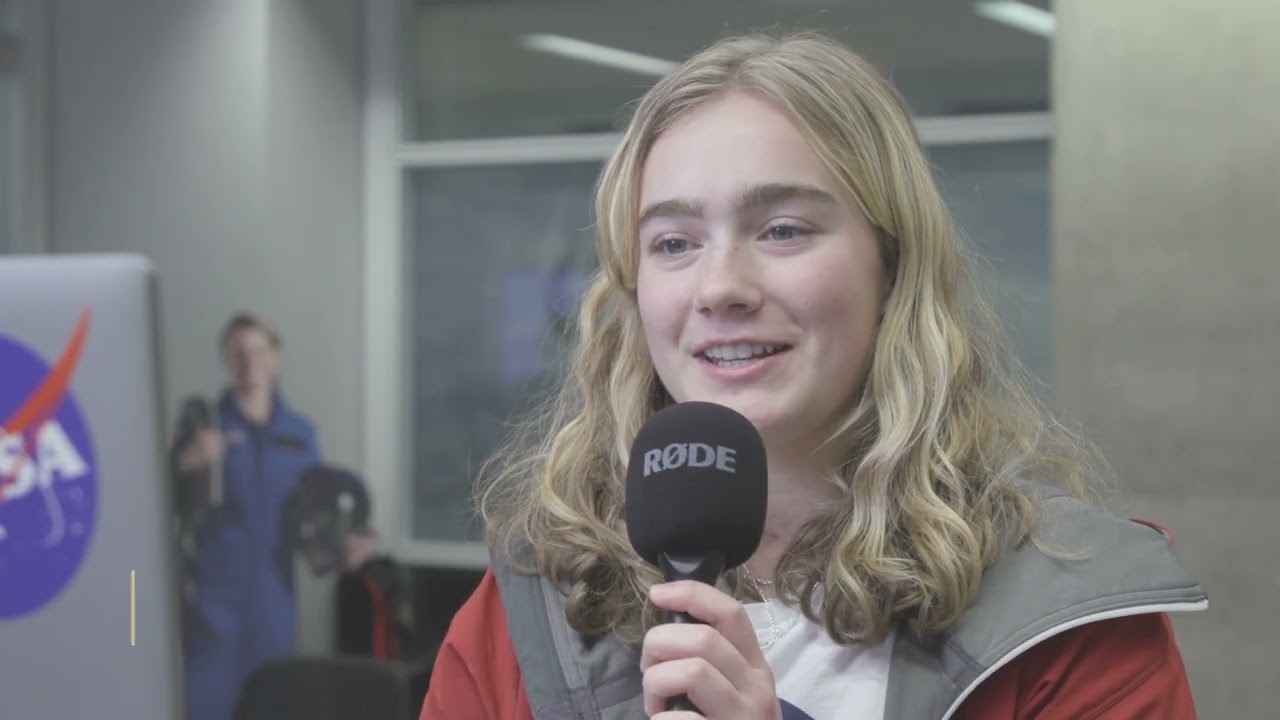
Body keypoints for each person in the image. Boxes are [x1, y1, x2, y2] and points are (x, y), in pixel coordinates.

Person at [421, 32, 1207, 719]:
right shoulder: (529, 614)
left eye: (784, 229)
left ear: (891, 269)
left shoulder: (1068, 616)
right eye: (673, 242)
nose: (720, 286)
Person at [171, 312, 321, 720]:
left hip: (274, 592)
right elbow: (154, 496)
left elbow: (317, 512)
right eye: (237, 351)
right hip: (213, 593)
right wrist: (187, 460)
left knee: (272, 701)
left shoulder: (299, 433)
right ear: (225, 358)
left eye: (258, 350)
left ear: (276, 357)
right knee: (206, 704)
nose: (248, 360)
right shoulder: (202, 423)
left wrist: (349, 542)